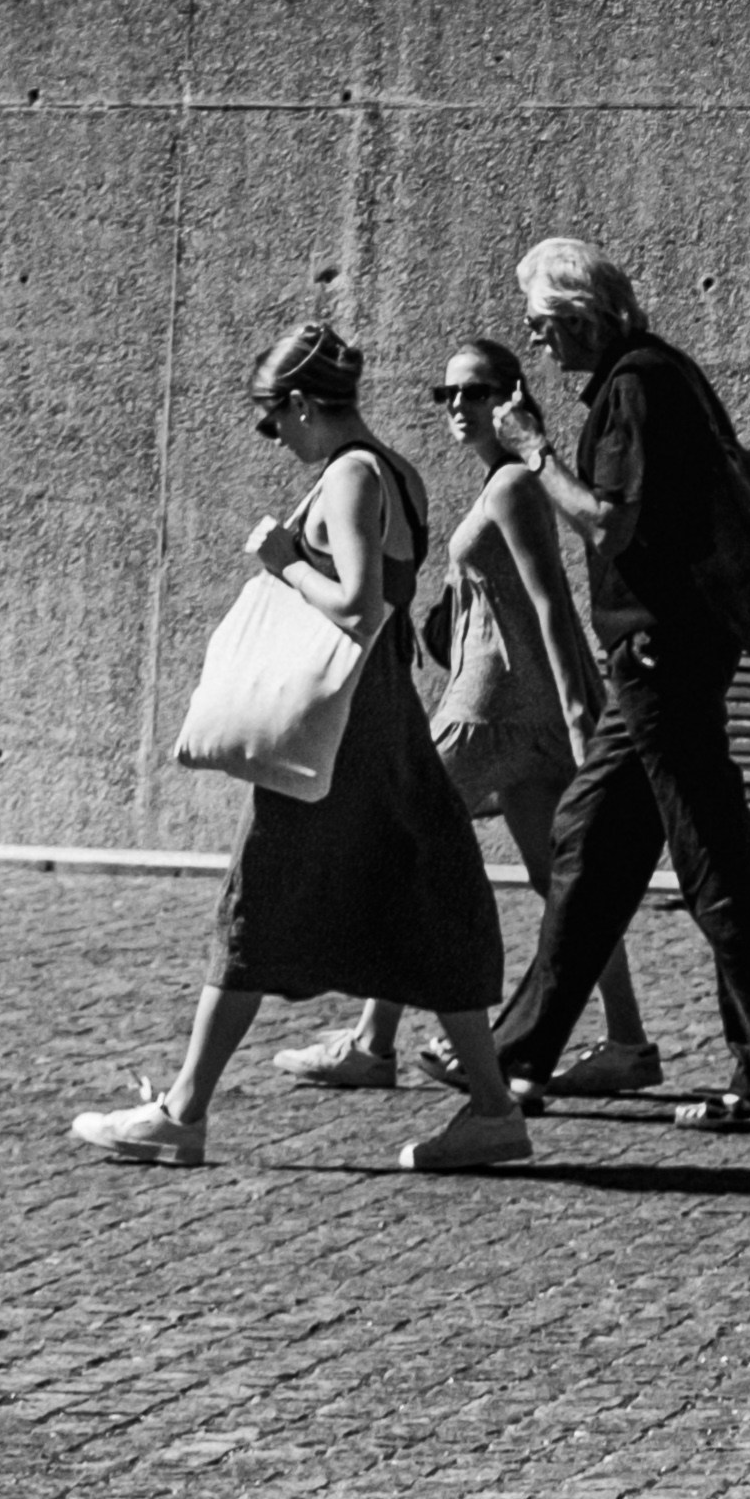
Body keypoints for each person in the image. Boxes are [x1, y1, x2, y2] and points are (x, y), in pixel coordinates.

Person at [75, 320, 506, 1166]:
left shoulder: (349, 476)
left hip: (335, 740)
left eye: (275, 421)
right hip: (382, 726)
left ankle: (183, 1111)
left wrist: (282, 560)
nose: (277, 439)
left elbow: (355, 604)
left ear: (305, 404)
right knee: (417, 900)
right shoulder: (399, 473)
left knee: (257, 902)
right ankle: (493, 1109)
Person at [445, 234, 750, 1155]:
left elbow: (612, 526)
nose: (537, 349)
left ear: (581, 316)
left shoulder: (637, 387)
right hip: (654, 658)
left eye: (542, 329)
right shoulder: (658, 379)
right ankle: (520, 1053)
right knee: (588, 840)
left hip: (665, 656)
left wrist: (536, 453)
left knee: (714, 862)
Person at [280, 347, 657, 1107]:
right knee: (565, 888)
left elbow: (554, 603)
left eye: (475, 391)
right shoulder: (498, 481)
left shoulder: (516, 483)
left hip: (489, 712)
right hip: (520, 714)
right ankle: (627, 1043)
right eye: (445, 389)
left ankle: (371, 1042)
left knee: (398, 845)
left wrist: (581, 710)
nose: (457, 403)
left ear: (510, 397)